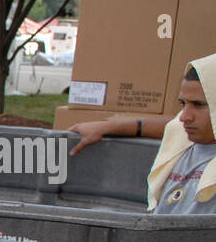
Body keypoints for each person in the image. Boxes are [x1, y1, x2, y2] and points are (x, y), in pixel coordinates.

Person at [69, 54, 216, 214]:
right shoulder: (182, 135)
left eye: (199, 104)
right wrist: (107, 127)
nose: (184, 117)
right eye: (183, 104)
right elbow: (167, 126)